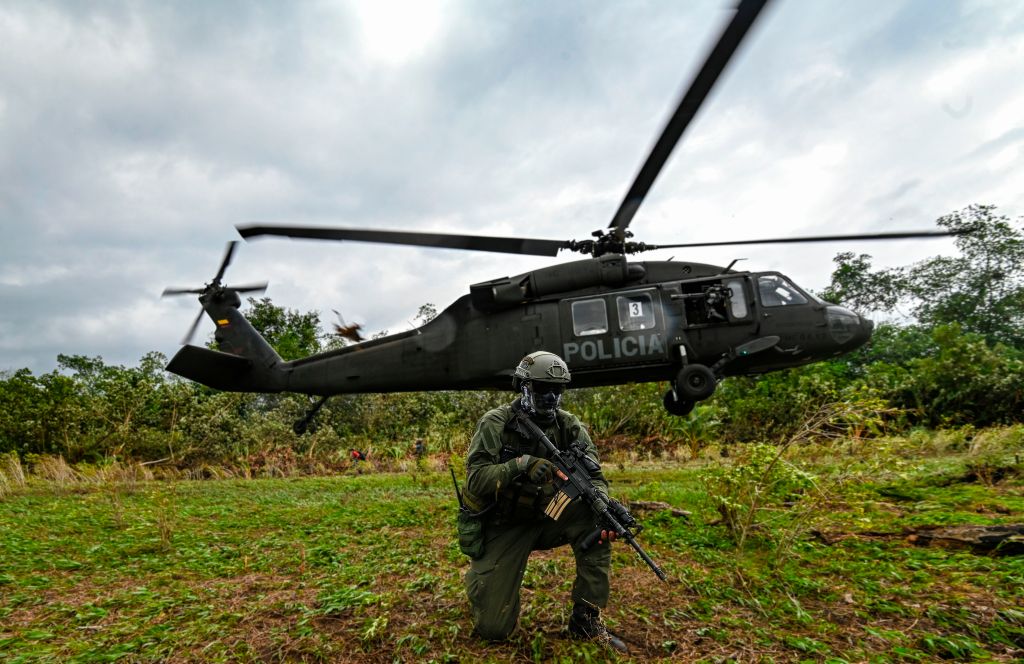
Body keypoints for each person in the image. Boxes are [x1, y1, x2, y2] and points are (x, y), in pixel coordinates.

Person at [460, 351, 627, 652]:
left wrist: (603, 500)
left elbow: (596, 476)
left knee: (598, 521)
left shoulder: (569, 426)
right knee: (494, 629)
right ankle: (485, 583)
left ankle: (585, 618)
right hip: (505, 523)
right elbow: (476, 480)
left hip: (548, 515)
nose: (550, 397)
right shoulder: (496, 423)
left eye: (557, 390)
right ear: (524, 387)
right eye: (542, 389)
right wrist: (520, 464)